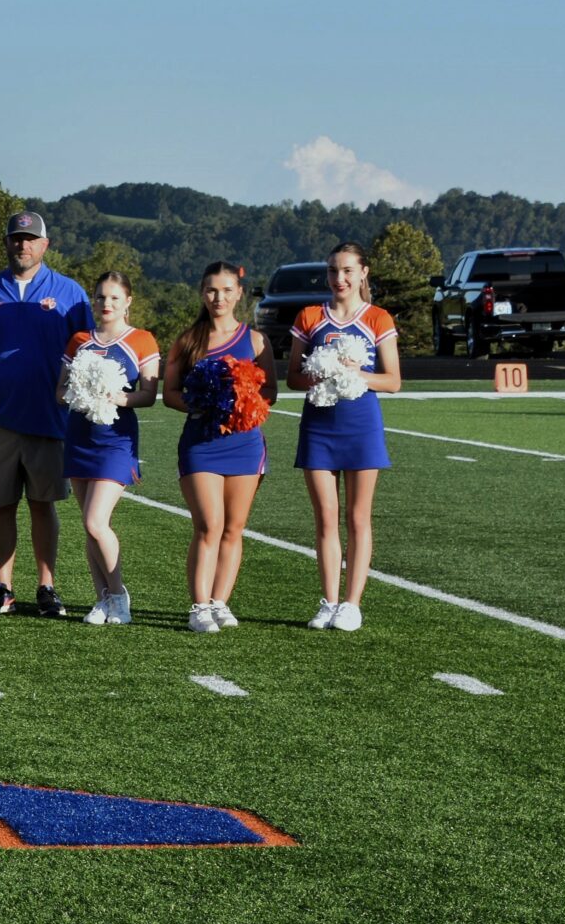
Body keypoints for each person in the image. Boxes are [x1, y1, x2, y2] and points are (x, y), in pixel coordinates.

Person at [0, 210, 94, 617]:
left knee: (42, 502)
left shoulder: (69, 292)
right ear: (7, 243)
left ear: (45, 245)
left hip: (49, 416)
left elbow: (86, 349)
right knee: (1, 504)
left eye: (30, 238)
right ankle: (3, 586)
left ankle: (47, 587)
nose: (23, 244)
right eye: (16, 238)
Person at [287, 241, 401, 632]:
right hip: (319, 426)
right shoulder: (309, 316)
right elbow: (292, 377)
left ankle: (352, 604)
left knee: (357, 517)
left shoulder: (378, 318)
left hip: (361, 425)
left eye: (348, 270)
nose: (340, 278)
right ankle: (329, 601)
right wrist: (320, 372)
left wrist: (355, 373)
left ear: (363, 273)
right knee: (325, 518)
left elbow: (394, 380)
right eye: (334, 271)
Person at [162, 261, 277, 634]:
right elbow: (170, 394)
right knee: (209, 524)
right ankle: (198, 606)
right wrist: (202, 404)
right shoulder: (188, 340)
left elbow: (270, 392)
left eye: (227, 290)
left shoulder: (256, 341)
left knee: (233, 527)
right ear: (202, 292)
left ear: (239, 293)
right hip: (201, 443)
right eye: (212, 290)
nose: (219, 298)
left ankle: (220, 601)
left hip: (245, 444)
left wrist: (244, 401)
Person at [57, 271, 159, 625]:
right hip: (81, 437)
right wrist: (80, 393)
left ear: (128, 301)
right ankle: (102, 599)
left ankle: (118, 594)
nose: (106, 304)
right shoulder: (79, 340)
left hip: (116, 441)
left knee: (95, 520)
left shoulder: (142, 340)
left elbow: (149, 395)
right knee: (90, 527)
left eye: (114, 298)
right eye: (100, 297)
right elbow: (60, 392)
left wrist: (119, 396)